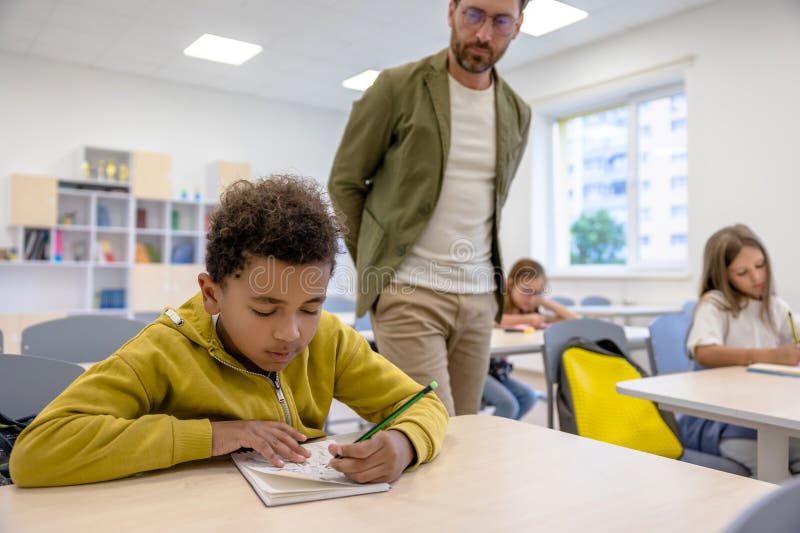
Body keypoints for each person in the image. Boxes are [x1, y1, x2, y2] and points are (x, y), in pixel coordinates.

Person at [10, 175, 448, 487]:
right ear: (211, 293)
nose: (291, 334)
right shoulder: (162, 351)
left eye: (310, 307)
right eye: (264, 309)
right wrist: (219, 434)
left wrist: (403, 442)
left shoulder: (330, 340)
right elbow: (36, 454)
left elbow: (423, 404)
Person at [328, 0, 532, 416]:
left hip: (478, 296)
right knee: (430, 428)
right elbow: (345, 184)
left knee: (469, 431)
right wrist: (375, 264)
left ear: (518, 25)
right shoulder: (398, 87)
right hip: (409, 290)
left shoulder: (517, 112)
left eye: (500, 21)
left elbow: (495, 200)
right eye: (473, 14)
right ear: (452, 11)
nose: (483, 34)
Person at [682, 224, 800, 476]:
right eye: (742, 272)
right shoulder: (715, 304)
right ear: (723, 275)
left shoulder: (775, 306)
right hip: (722, 424)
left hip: (766, 419)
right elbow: (704, 351)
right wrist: (770, 356)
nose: (757, 278)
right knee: (778, 478)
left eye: (760, 266)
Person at [483, 258, 576, 419]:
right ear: (511, 285)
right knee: (508, 404)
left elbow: (573, 320)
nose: (530, 298)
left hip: (498, 372)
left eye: (537, 292)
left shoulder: (530, 311)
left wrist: (544, 301)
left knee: (528, 397)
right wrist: (527, 319)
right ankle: (492, 438)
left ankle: (503, 434)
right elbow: (492, 320)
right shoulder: (498, 302)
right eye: (526, 291)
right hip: (478, 370)